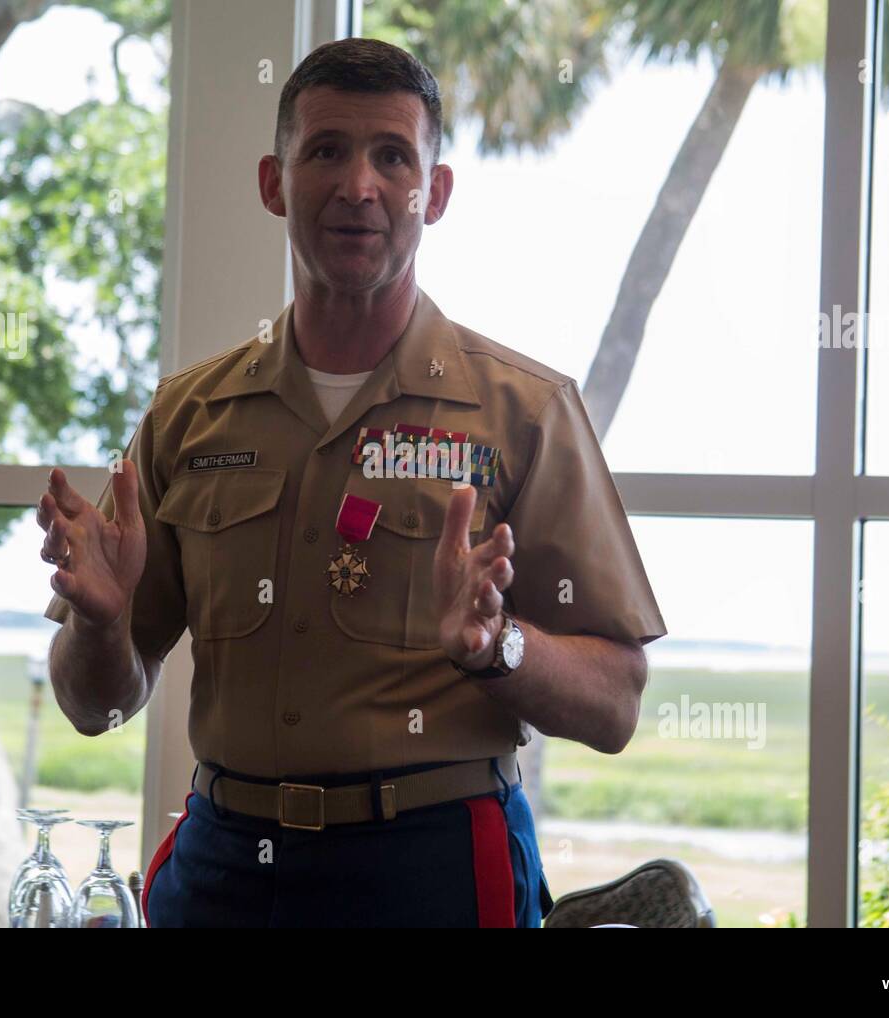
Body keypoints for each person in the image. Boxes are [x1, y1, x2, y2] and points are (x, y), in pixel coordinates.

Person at [37, 36, 666, 928]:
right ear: (274, 182)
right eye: (326, 151)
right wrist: (101, 625)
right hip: (224, 867)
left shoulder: (524, 412)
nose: (358, 186)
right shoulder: (188, 415)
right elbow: (93, 704)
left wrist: (498, 647)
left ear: (434, 194)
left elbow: (617, 705)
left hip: (433, 870)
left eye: (393, 157)